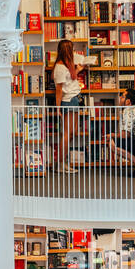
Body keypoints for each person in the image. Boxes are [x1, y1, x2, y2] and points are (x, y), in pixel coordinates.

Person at [51, 39, 90, 174]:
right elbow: (59, 90)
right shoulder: (60, 68)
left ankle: (64, 162)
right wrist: (58, 108)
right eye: (71, 49)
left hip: (75, 99)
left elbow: (69, 81)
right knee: (67, 134)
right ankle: (60, 164)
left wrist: (78, 70)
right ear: (67, 51)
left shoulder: (67, 66)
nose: (73, 52)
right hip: (69, 101)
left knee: (71, 133)